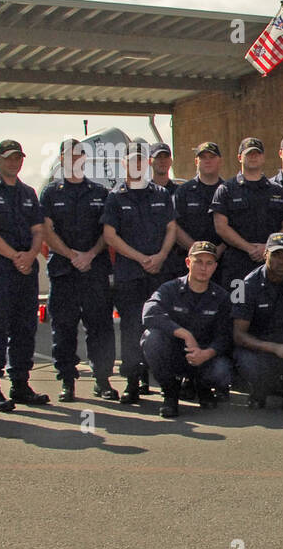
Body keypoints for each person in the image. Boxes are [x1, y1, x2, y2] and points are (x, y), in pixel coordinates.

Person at [0, 139, 48, 411]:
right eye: (8, 157)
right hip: (0, 268)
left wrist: (29, 255)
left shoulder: (28, 193)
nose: (14, 162)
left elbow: (38, 230)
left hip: (26, 268)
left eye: (18, 157)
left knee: (25, 328)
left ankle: (20, 384)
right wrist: (15, 256)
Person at [40, 139, 116, 402]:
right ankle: (67, 382)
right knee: (63, 328)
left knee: (100, 327)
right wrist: (72, 255)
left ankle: (103, 380)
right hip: (64, 271)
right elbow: (46, 231)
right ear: (61, 159)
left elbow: (108, 232)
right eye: (70, 155)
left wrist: (91, 255)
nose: (75, 159)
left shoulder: (100, 192)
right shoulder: (51, 193)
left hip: (94, 270)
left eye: (79, 154)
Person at [102, 139, 177, 405]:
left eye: (140, 160)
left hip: (158, 272)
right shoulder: (115, 197)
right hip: (129, 275)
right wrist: (140, 257)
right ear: (124, 164)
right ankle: (133, 382)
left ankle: (165, 382)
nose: (136, 164)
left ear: (146, 164)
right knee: (131, 329)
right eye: (130, 160)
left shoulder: (160, 193)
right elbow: (110, 235)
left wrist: (161, 256)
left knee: (160, 327)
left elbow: (171, 229)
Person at [141, 241, 233, 417]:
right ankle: (170, 394)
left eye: (209, 263)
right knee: (151, 338)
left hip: (204, 356)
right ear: (188, 263)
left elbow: (225, 337)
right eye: (198, 261)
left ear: (215, 267)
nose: (203, 268)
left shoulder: (222, 297)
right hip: (174, 354)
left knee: (222, 369)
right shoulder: (170, 288)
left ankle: (203, 388)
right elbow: (149, 313)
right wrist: (184, 334)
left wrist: (206, 354)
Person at [231, 233, 283, 413]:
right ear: (265, 255)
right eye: (276, 255)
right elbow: (238, 335)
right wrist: (274, 348)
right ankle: (259, 390)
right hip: (259, 344)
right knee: (249, 362)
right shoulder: (247, 285)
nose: (281, 261)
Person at [211, 137, 283, 286]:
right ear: (240, 157)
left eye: (257, 153)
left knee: (270, 308)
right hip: (237, 264)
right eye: (249, 154)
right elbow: (221, 227)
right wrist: (249, 248)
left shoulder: (277, 190)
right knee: (238, 306)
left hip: (272, 265)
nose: (253, 157)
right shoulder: (226, 189)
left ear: (263, 157)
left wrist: (268, 248)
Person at [173, 140, 226, 275]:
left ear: (220, 161)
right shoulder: (183, 191)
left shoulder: (229, 190)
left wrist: (217, 251)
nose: (207, 161)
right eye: (203, 157)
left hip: (223, 261)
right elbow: (175, 226)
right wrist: (198, 252)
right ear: (196, 161)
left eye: (212, 157)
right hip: (190, 261)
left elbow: (236, 224)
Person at [148, 142, 186, 283]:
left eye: (166, 157)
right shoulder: (142, 193)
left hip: (177, 262)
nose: (162, 161)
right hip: (151, 262)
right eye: (158, 157)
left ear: (171, 161)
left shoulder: (182, 192)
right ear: (150, 161)